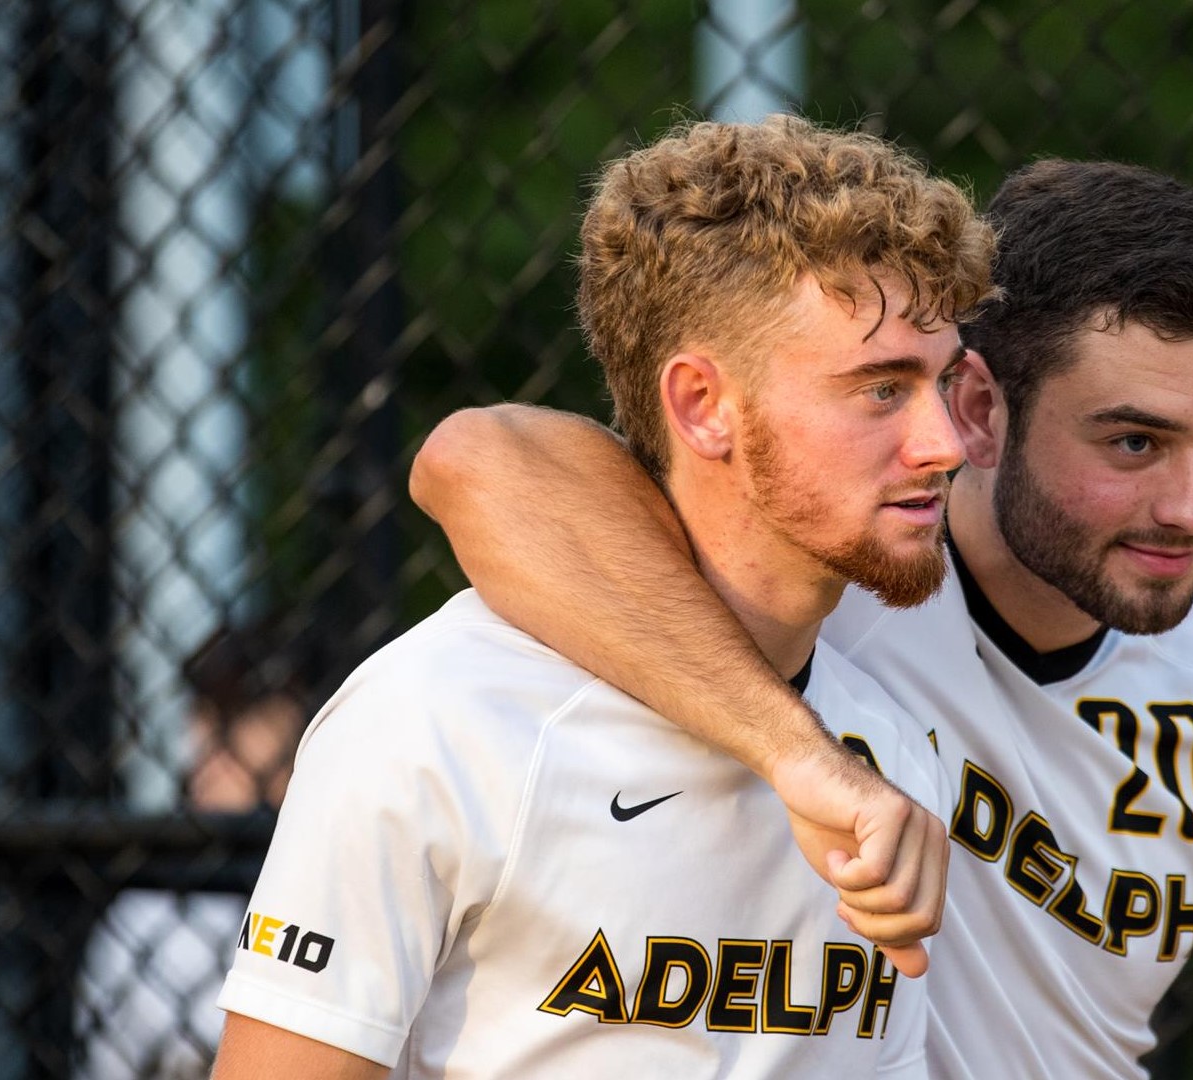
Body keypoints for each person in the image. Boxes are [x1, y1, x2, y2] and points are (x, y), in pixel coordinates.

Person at [410, 159, 1193, 1078]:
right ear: (980, 408)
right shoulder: (826, 580)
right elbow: (482, 458)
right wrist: (803, 755)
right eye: (1134, 442)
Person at [211, 115, 994, 1078]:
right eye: (880, 389)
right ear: (702, 405)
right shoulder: (440, 717)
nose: (943, 444)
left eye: (940, 382)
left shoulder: (891, 746)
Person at [74, 618, 315, 1080]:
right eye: (204, 712)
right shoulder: (148, 913)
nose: (210, 740)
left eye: (242, 714)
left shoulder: (346, 889)